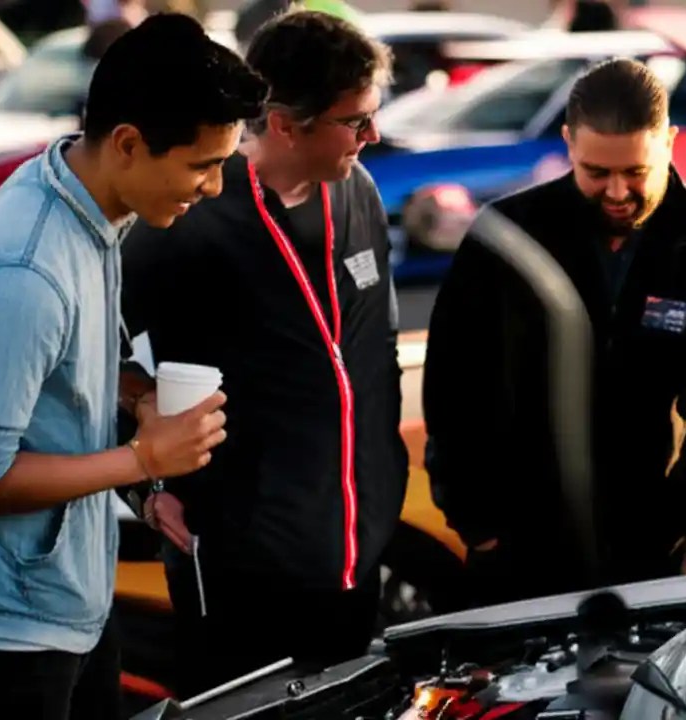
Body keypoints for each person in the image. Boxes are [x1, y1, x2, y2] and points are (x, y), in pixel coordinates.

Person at [0, 14, 265, 719]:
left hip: (71, 603)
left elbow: (62, 364)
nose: (212, 188)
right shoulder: (21, 272)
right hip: (7, 637)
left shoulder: (90, 207)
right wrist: (143, 458)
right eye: (202, 165)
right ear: (127, 144)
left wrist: (137, 396)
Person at [120, 9, 407, 696]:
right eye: (354, 121)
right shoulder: (190, 217)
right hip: (242, 562)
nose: (372, 136)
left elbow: (379, 344)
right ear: (284, 124)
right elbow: (91, 354)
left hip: (354, 551)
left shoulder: (359, 190)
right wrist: (145, 485)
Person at [423, 57, 686, 609]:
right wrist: (476, 522)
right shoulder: (504, 241)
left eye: (635, 173)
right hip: (517, 555)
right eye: (597, 172)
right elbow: (451, 388)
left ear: (670, 142)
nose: (617, 192)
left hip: (659, 559)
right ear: (567, 142)